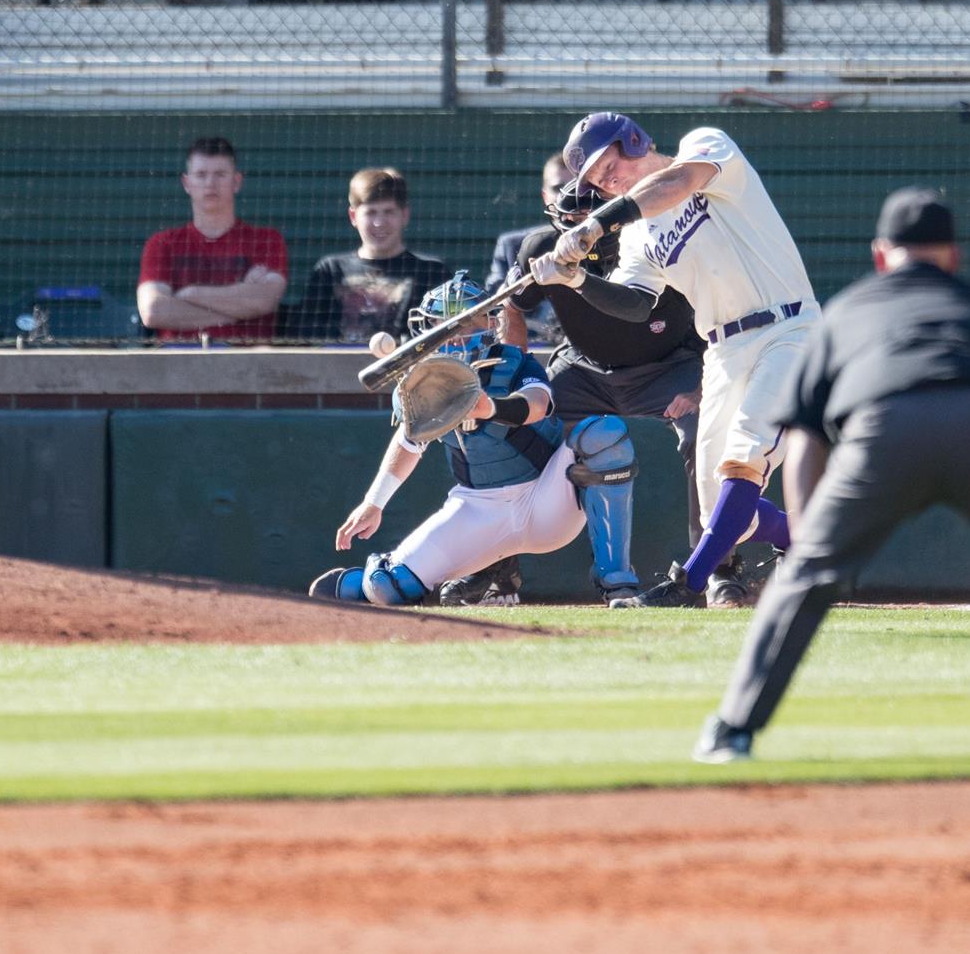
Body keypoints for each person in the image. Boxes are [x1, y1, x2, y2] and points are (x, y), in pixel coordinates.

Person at [694, 188, 970, 765]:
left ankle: (733, 730)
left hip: (884, 429)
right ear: (952, 256)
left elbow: (806, 437)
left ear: (881, 254)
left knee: (806, 580)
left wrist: (809, 542)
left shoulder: (848, 309)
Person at [541, 110, 810, 608]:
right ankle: (807, 541)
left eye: (608, 163)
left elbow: (680, 181)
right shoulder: (638, 238)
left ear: (635, 140)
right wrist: (575, 279)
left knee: (745, 458)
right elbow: (635, 305)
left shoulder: (703, 146)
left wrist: (598, 222)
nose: (607, 180)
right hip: (723, 350)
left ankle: (689, 583)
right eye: (597, 180)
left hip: (787, 327)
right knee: (723, 512)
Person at [447, 152, 722, 608]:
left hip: (671, 366)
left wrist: (700, 388)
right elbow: (514, 307)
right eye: (569, 218)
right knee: (507, 422)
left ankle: (711, 570)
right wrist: (513, 375)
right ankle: (496, 566)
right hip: (584, 369)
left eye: (590, 216)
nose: (578, 230)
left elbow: (719, 314)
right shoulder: (541, 248)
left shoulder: (659, 237)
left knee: (704, 431)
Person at [308, 272, 636, 608]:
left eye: (465, 322)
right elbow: (409, 442)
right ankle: (483, 569)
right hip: (479, 506)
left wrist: (489, 407)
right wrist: (373, 503)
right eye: (444, 323)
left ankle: (618, 585)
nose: (455, 335)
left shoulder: (515, 362)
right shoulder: (422, 382)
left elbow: (537, 406)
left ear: (489, 323)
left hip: (547, 495)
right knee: (386, 587)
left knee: (603, 435)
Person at [136, 135, 288, 342]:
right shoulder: (162, 244)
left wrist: (189, 294)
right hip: (177, 364)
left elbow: (264, 300)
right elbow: (154, 311)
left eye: (220, 174)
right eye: (201, 175)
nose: (210, 183)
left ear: (236, 181)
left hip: (251, 364)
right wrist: (238, 307)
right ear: (186, 183)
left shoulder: (266, 240)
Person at [291, 166, 450, 346]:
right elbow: (307, 337)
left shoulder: (432, 272)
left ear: (405, 215)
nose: (379, 223)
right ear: (353, 216)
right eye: (370, 212)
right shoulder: (329, 271)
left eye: (388, 212)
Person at [486, 153, 569, 349]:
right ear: (545, 195)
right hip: (526, 352)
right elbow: (495, 307)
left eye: (574, 187)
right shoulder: (513, 245)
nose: (566, 195)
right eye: (558, 188)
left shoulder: (607, 243)